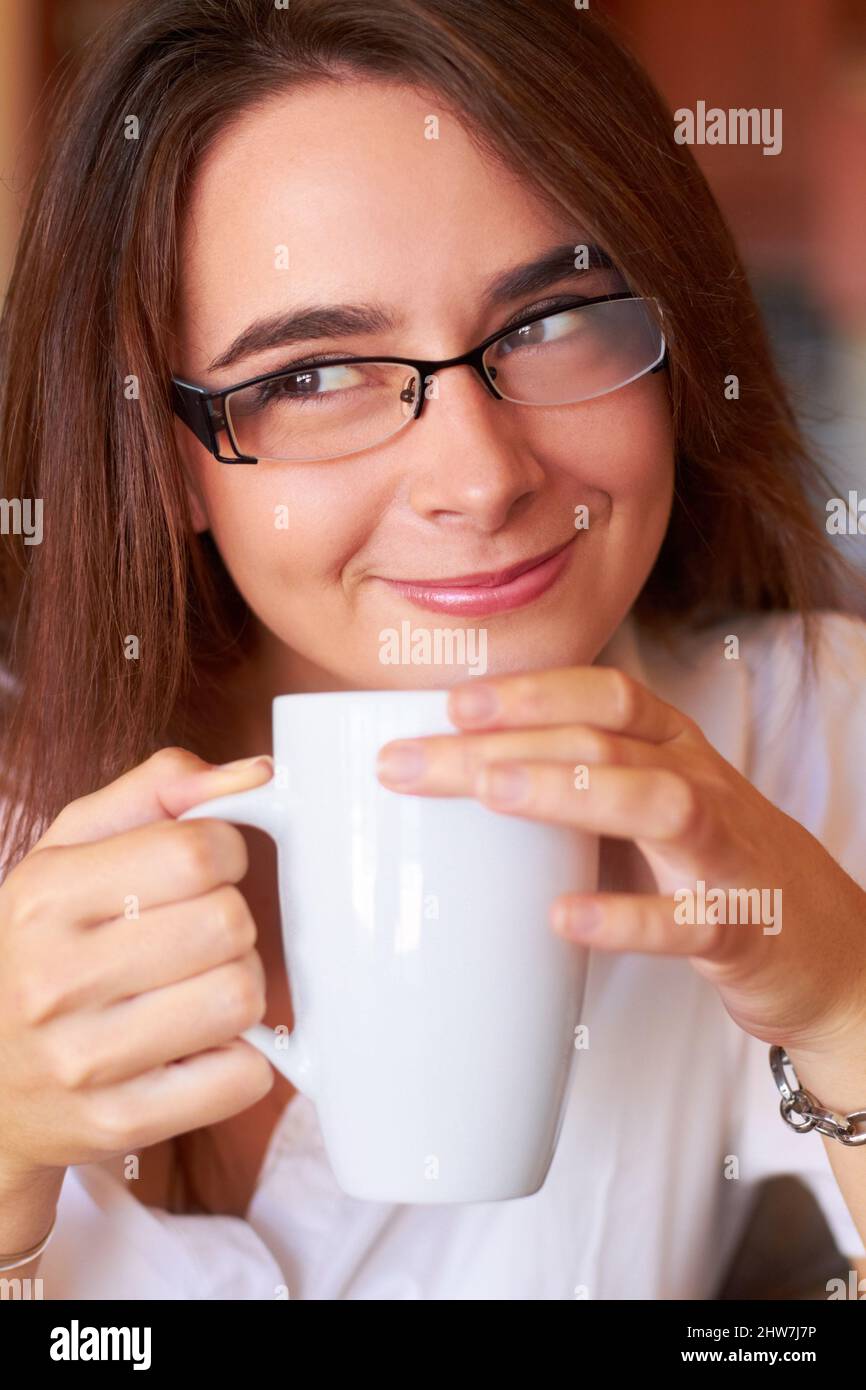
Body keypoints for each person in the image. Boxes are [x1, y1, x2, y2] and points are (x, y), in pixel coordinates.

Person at [0, 0, 864, 1301]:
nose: (478, 476)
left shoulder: (794, 731)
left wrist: (849, 1006)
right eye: (309, 374)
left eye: (550, 318)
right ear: (165, 457)